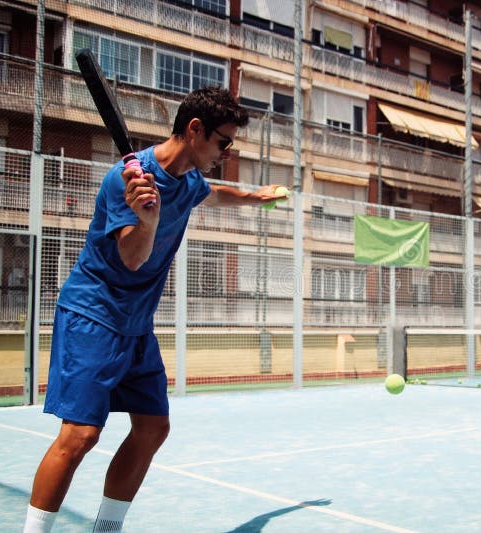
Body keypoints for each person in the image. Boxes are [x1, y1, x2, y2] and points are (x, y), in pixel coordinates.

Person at [23, 86, 286, 533]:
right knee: (80, 437)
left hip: (136, 325)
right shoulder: (124, 181)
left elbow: (211, 193)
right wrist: (146, 219)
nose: (226, 151)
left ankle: (106, 529)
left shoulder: (187, 181)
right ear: (195, 129)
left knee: (153, 428)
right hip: (94, 315)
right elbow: (131, 258)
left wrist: (253, 197)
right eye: (223, 142)